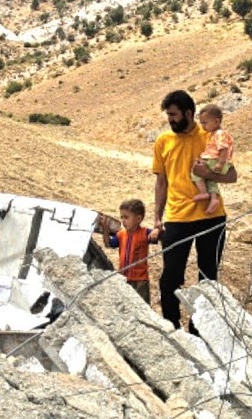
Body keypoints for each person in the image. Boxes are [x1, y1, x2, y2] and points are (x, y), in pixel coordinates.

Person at [151, 90, 237, 331]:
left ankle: (201, 331)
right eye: (168, 115)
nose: (170, 119)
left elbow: (232, 175)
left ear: (189, 113)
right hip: (177, 219)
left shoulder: (210, 137)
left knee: (208, 279)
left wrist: (207, 174)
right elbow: (161, 182)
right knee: (170, 279)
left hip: (212, 217)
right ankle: (171, 328)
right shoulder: (163, 141)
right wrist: (157, 217)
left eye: (174, 114)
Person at [99, 199, 155, 303]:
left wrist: (157, 230)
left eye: (126, 217)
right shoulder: (121, 234)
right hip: (123, 278)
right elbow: (109, 244)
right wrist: (105, 229)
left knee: (141, 306)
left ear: (138, 219)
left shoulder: (145, 233)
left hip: (140, 280)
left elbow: (160, 235)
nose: (123, 221)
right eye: (122, 217)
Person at [191, 104, 235, 215]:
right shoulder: (214, 133)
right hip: (216, 160)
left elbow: (224, 149)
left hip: (215, 160)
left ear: (216, 121)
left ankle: (204, 192)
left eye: (205, 123)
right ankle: (214, 198)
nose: (203, 126)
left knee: (195, 171)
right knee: (210, 179)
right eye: (201, 123)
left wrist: (220, 163)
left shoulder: (219, 133)